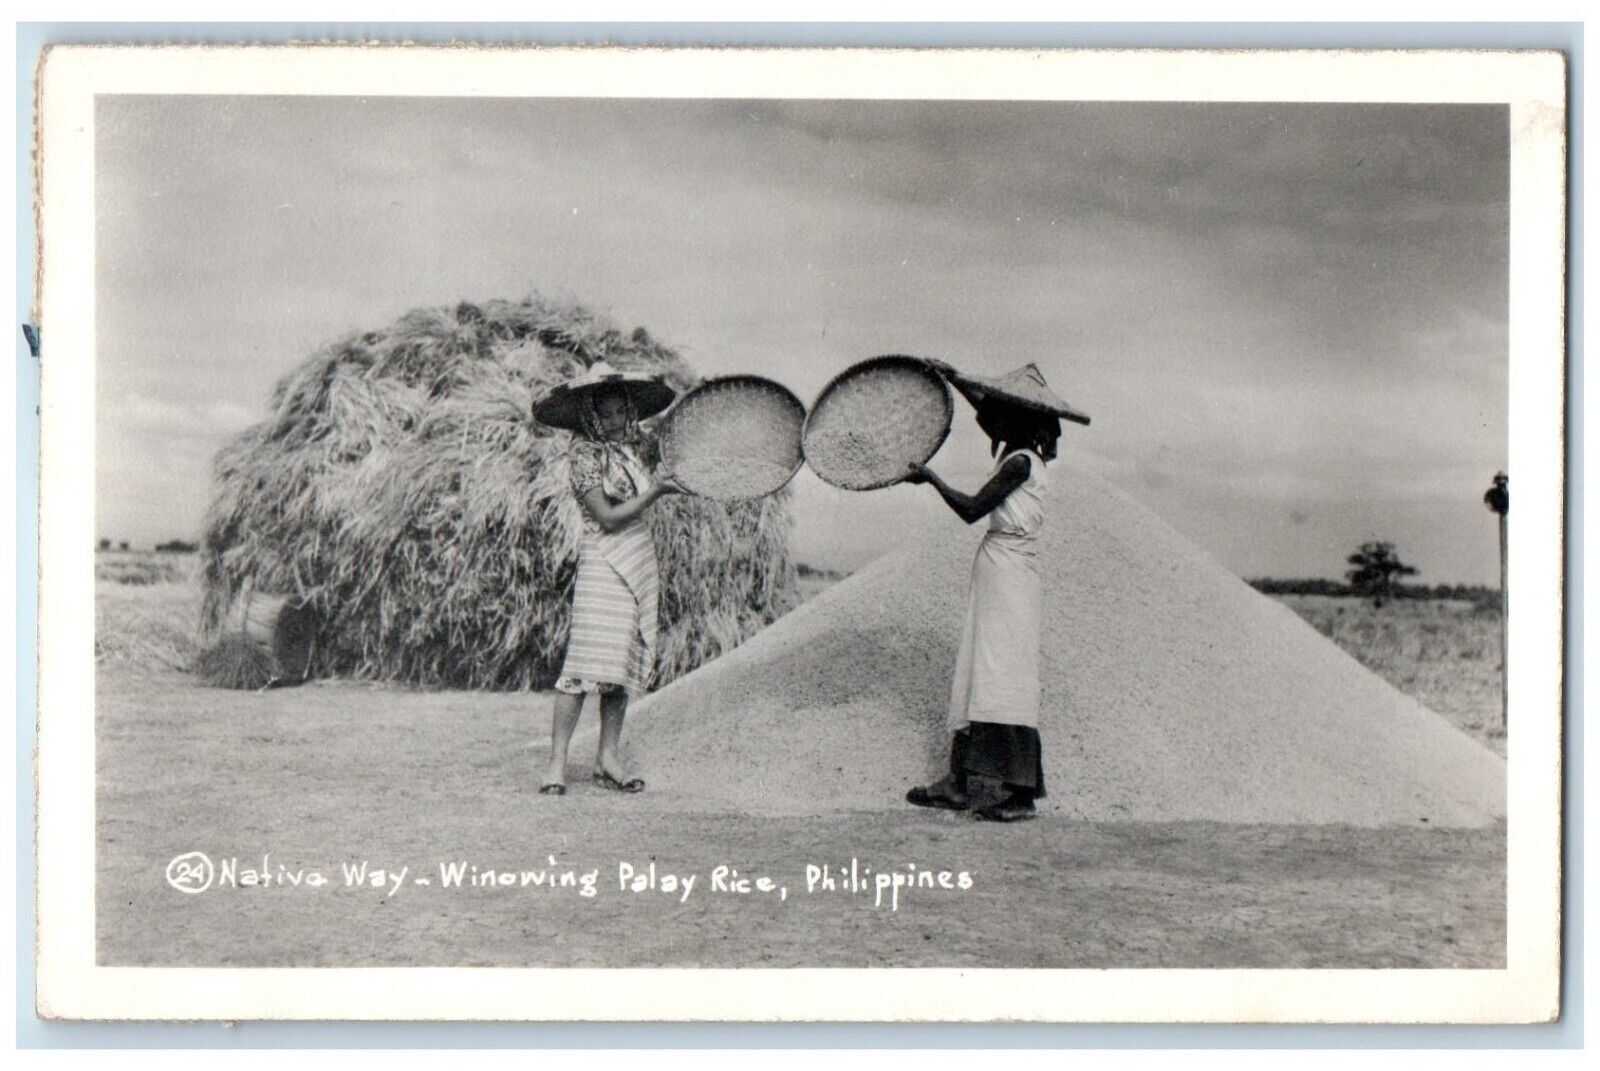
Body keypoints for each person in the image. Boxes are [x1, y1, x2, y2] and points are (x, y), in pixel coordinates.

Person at [903, 362, 1088, 822]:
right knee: (979, 668)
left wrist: (931, 479)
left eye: (1004, 411)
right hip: (1003, 570)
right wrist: (957, 381)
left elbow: (970, 509)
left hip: (1009, 573)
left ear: (1020, 419)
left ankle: (1019, 793)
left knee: (999, 673)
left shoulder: (1021, 463)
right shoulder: (1024, 453)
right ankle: (961, 783)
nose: (992, 418)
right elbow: (987, 414)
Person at [532, 361, 682, 795]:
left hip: (635, 558)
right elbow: (609, 517)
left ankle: (607, 759)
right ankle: (556, 764)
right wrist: (655, 492)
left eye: (622, 412)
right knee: (581, 665)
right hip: (604, 558)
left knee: (619, 663)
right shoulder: (584, 454)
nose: (616, 420)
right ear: (591, 413)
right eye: (608, 413)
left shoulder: (628, 450)